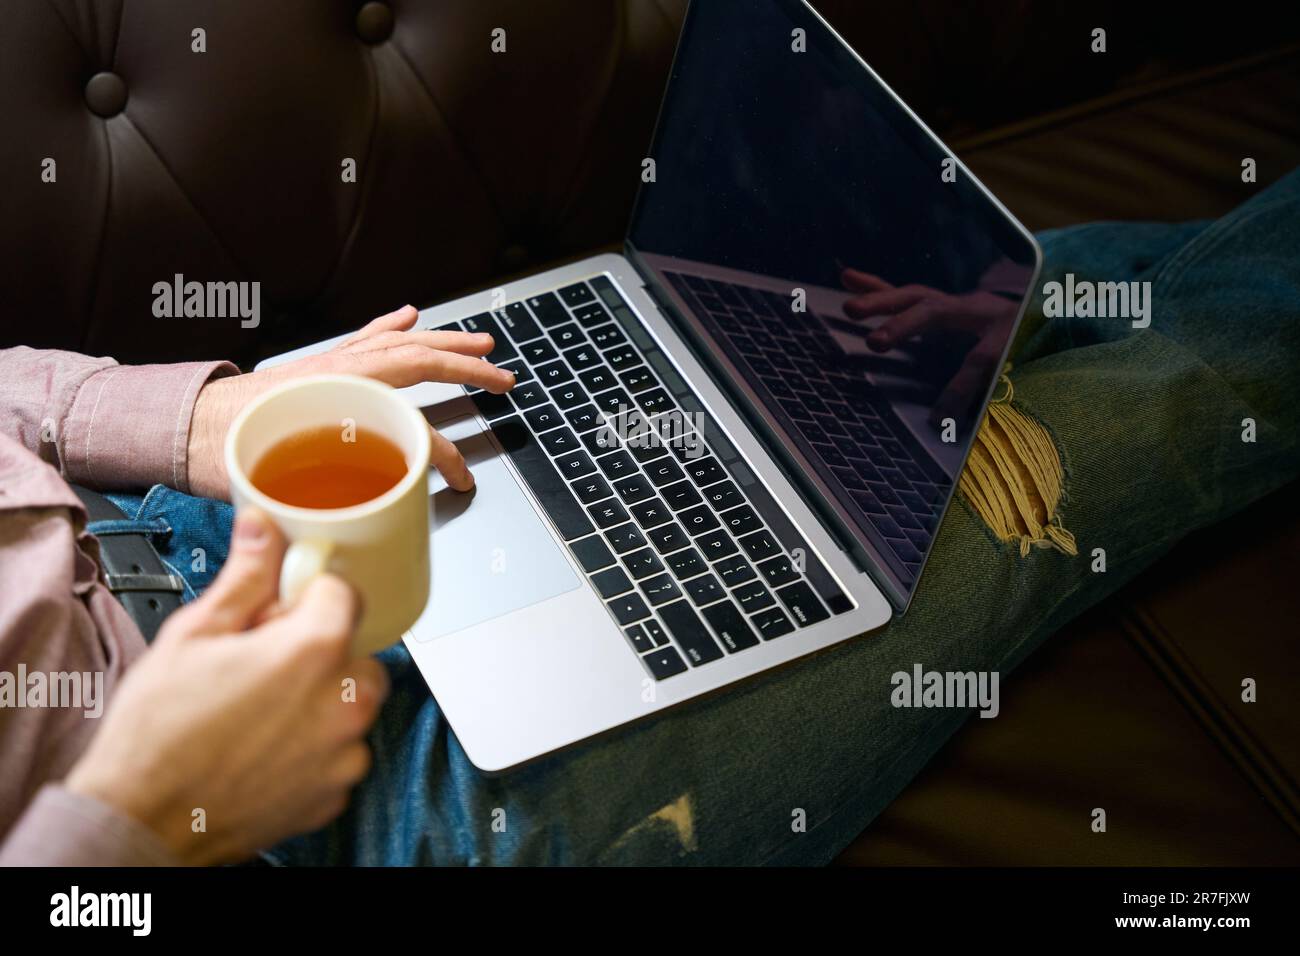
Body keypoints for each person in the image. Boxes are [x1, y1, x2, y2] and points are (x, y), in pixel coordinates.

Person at [2, 169, 1298, 865]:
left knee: (878, 316)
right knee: (1001, 463)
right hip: (260, 822)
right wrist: (136, 812)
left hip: (189, 509)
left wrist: (203, 421)